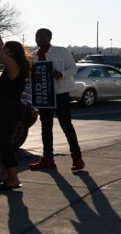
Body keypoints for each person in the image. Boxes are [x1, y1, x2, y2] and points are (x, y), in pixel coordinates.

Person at [29, 28, 82, 172]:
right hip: (44, 95)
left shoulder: (61, 51)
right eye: (36, 37)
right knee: (45, 128)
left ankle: (77, 158)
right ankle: (47, 159)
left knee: (66, 125)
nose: (38, 40)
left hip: (60, 93)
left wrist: (62, 74)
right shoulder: (33, 56)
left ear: (49, 38)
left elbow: (73, 69)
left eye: (41, 37)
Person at [0, 20, 27, 192]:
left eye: (8, 50)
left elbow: (0, 49)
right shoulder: (16, 66)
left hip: (10, 109)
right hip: (9, 108)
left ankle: (14, 179)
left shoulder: (14, 67)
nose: (4, 52)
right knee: (4, 141)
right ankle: (4, 174)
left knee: (3, 143)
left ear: (12, 53)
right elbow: (1, 47)